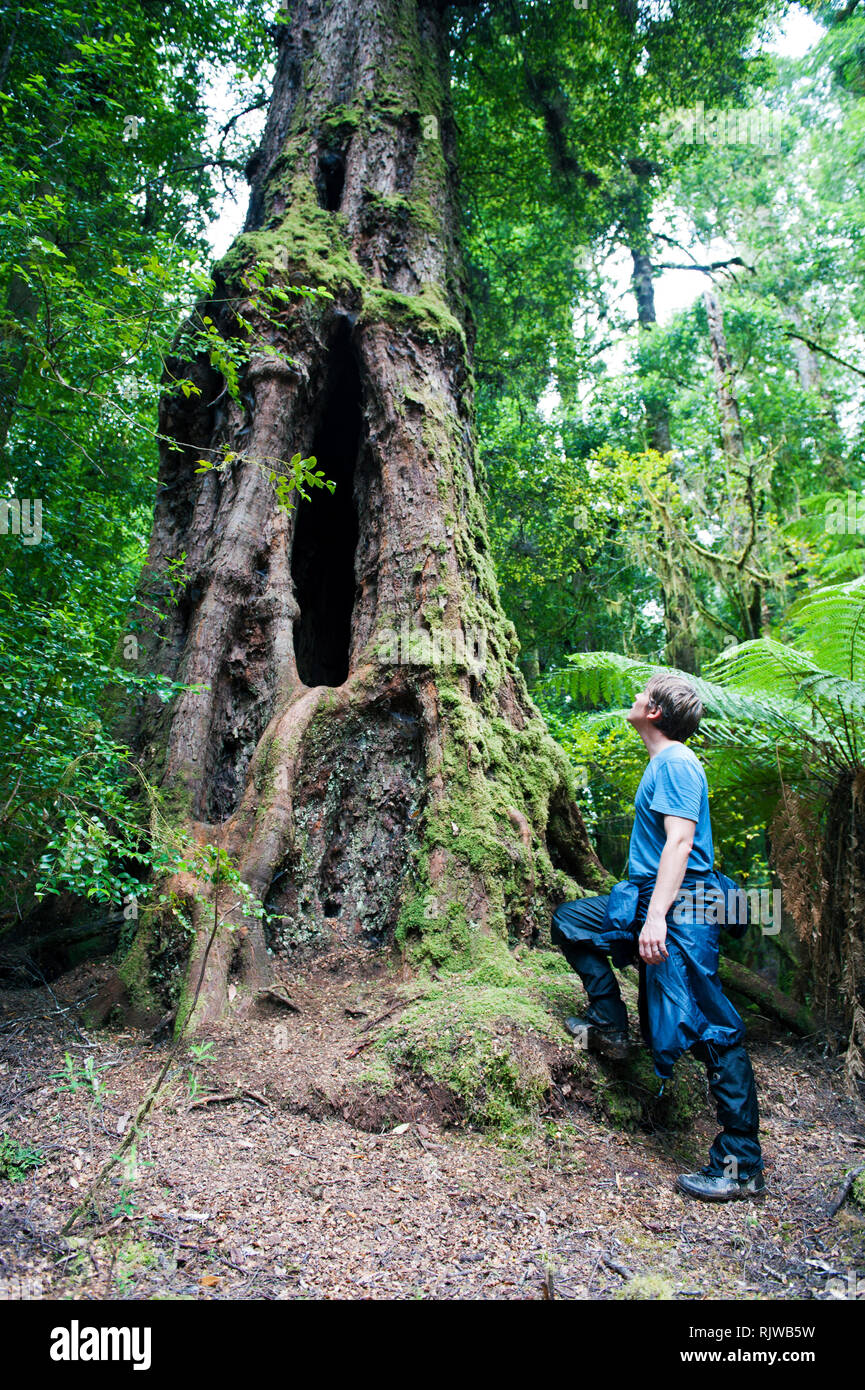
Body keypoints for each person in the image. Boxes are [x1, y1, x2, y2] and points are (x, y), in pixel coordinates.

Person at [551, 673, 764, 1202]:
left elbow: (681, 843)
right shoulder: (664, 763)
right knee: (572, 922)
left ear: (656, 713)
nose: (635, 696)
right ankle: (608, 1023)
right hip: (650, 898)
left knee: (713, 1028)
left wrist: (656, 920)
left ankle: (741, 1164)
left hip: (683, 907)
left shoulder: (675, 764)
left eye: (643, 693)